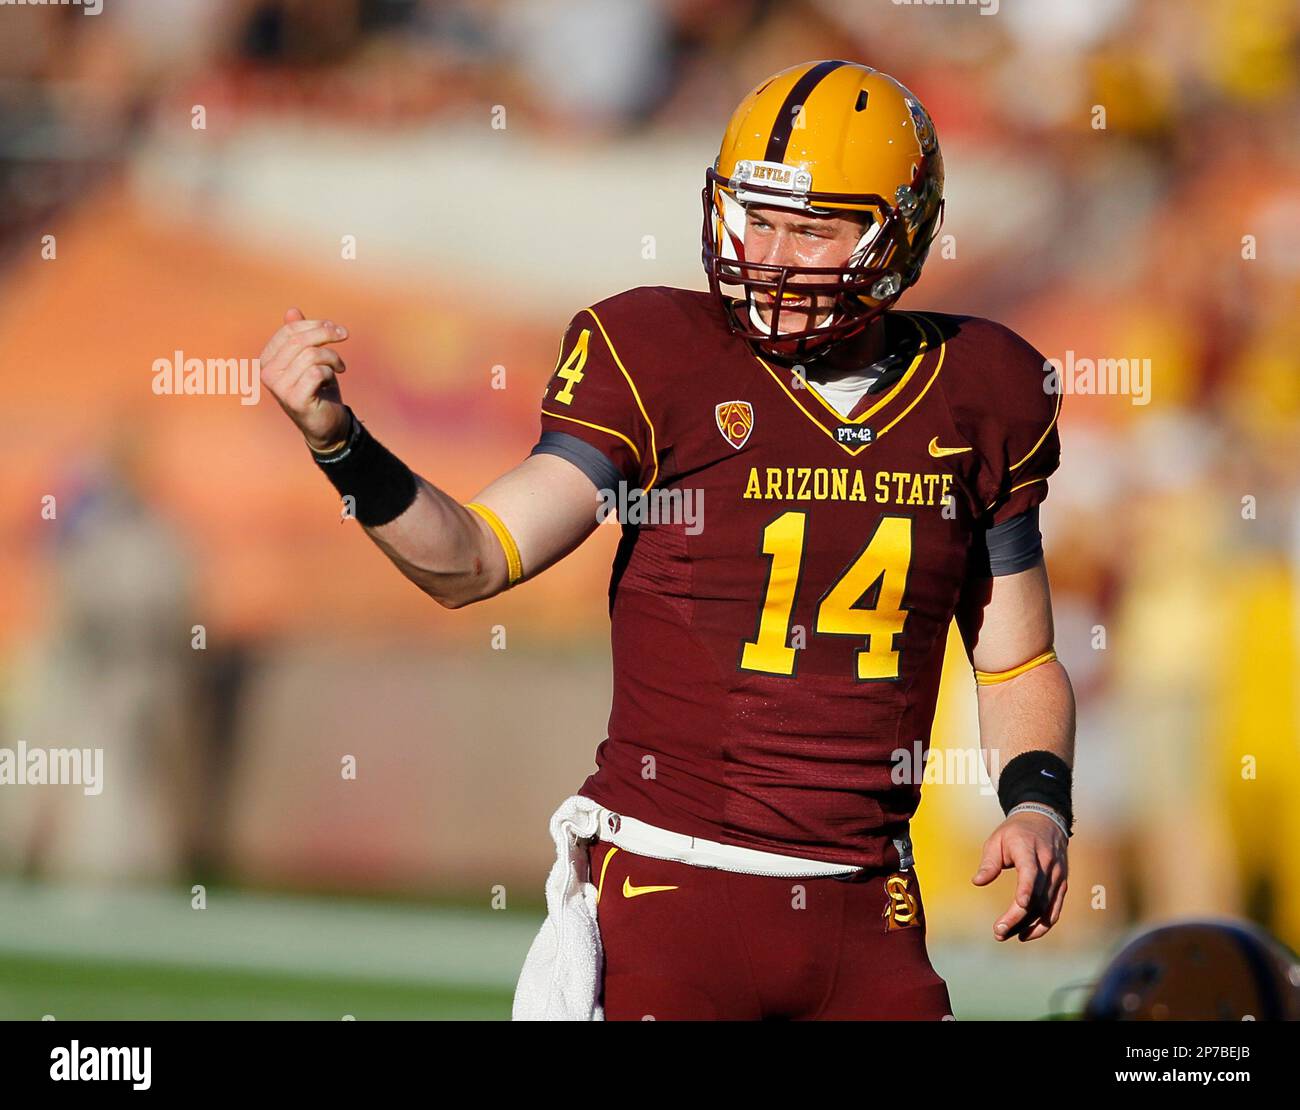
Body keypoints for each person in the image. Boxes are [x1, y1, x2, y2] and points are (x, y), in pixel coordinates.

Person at [258, 60, 1075, 1020]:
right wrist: (340, 444)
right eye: (757, 218)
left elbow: (1017, 657)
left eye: (812, 230)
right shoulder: (658, 353)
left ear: (903, 236)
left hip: (868, 905)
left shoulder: (984, 387)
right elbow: (472, 559)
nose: (771, 254)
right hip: (675, 886)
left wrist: (1036, 804)